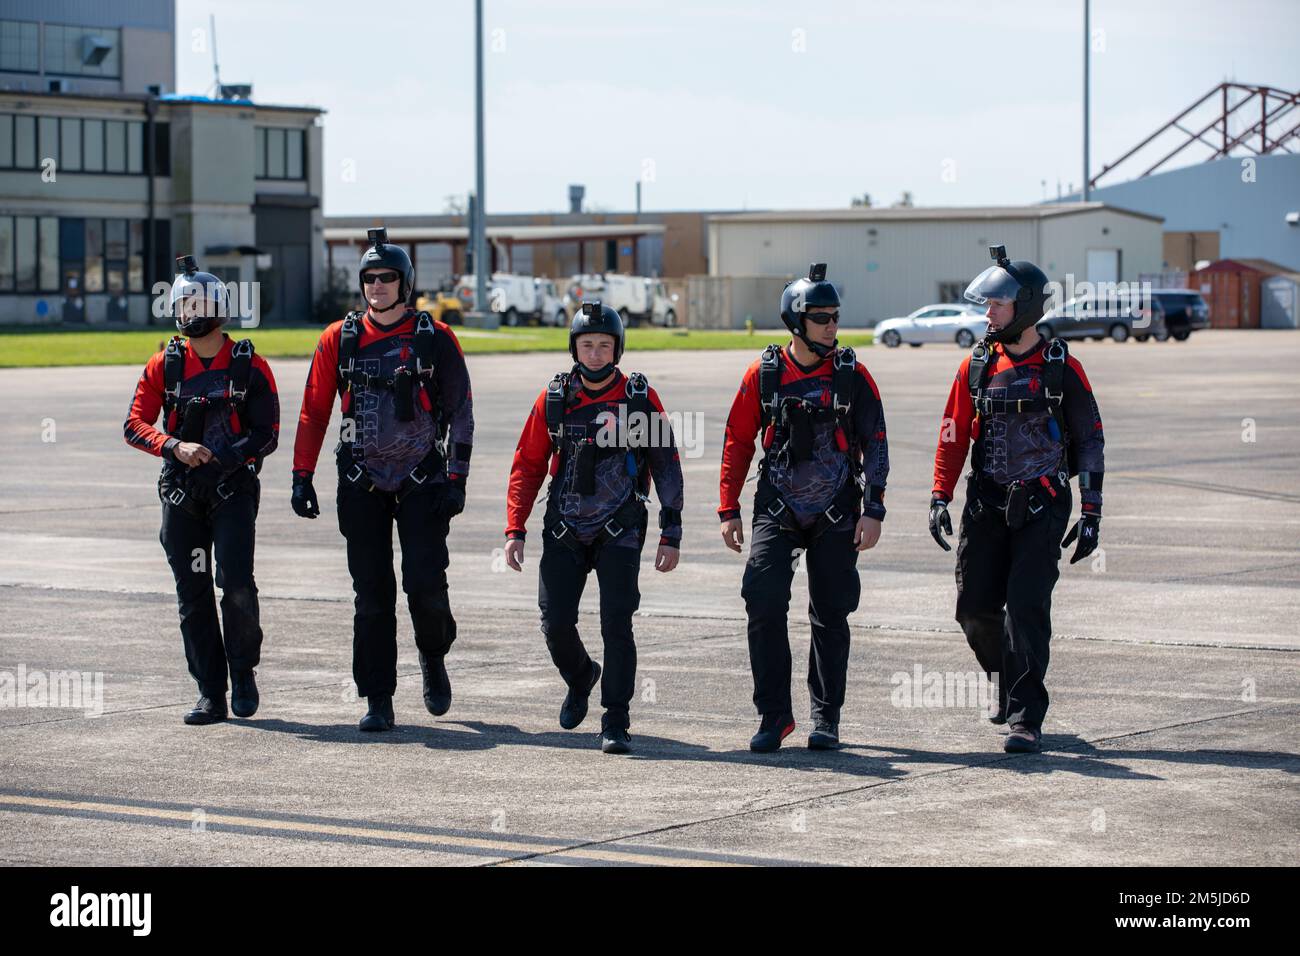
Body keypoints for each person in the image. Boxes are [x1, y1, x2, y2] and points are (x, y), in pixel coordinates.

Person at [291, 228, 474, 732]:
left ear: (405, 283)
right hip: (360, 480)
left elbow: (461, 412)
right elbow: (312, 412)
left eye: (387, 278)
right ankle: (378, 697)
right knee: (371, 594)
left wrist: (457, 477)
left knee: (423, 583)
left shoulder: (435, 338)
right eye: (370, 278)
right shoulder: (338, 338)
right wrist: (300, 475)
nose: (377, 286)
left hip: (423, 480)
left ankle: (433, 657)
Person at [929, 244, 1105, 754]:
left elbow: (1090, 438)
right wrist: (940, 495)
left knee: (1026, 607)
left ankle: (1026, 718)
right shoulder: (976, 366)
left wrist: (1091, 511)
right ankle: (1006, 681)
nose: (988, 314)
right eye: (987, 305)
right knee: (974, 608)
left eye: (997, 305)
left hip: (1043, 503)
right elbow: (952, 433)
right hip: (985, 502)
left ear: (1025, 308)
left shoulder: (1060, 368)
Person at [719, 263, 889, 752]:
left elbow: (875, 442)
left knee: (831, 610)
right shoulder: (765, 374)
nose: (833, 326)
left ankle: (826, 716)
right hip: (777, 506)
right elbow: (737, 439)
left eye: (836, 317)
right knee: (763, 597)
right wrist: (727, 508)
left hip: (838, 508)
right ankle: (774, 715)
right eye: (822, 319)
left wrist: (874, 508)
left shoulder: (853, 376)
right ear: (797, 323)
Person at [504, 301, 684, 754]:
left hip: (620, 530)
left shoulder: (638, 398)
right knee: (555, 623)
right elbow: (527, 465)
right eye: (588, 345)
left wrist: (671, 530)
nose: (597, 354)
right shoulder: (555, 398)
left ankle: (616, 720)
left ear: (618, 349)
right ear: (574, 348)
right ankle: (581, 675)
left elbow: (666, 464)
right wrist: (515, 528)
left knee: (616, 624)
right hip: (563, 528)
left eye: (605, 345)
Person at [124, 255, 279, 724]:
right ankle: (210, 691)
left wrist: (224, 457)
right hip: (181, 493)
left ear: (220, 308)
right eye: (183, 304)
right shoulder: (163, 364)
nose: (191, 312)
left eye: (199, 303)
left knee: (235, 585)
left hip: (232, 491)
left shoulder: (250, 365)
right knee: (191, 594)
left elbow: (267, 432)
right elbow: (134, 425)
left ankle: (243, 674)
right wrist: (174, 446)